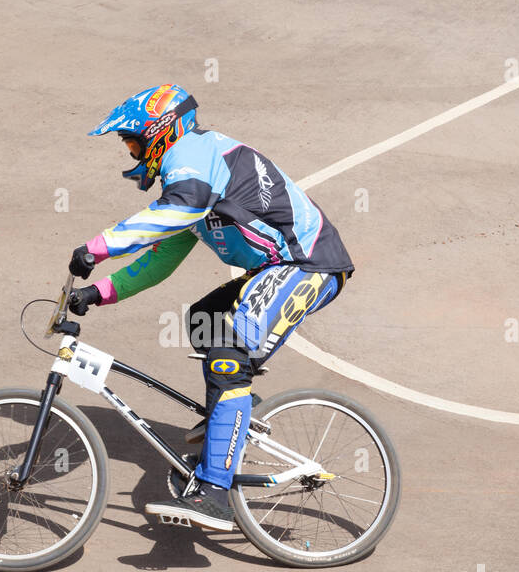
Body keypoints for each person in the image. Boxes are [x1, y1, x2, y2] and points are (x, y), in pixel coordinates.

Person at [67, 84, 354, 531]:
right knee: (203, 319)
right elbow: (160, 260)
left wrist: (100, 247)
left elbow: (178, 210)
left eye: (131, 141)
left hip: (306, 264)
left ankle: (216, 494)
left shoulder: (193, 156)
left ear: (160, 132)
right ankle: (230, 411)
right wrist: (99, 293)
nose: (129, 151)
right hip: (274, 270)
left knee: (228, 361)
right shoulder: (189, 179)